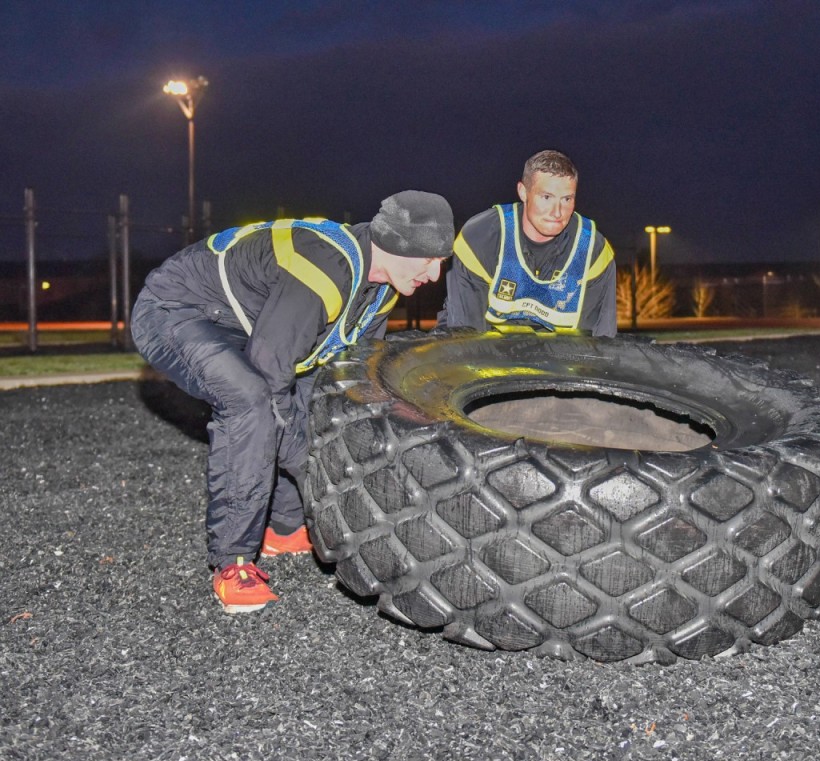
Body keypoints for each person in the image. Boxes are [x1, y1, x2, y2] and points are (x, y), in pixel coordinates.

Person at [131, 191, 454, 613]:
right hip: (177, 311)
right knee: (252, 401)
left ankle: (284, 529)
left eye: (442, 263)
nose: (433, 276)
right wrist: (314, 471)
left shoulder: (381, 291)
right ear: (396, 244)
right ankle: (233, 561)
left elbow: (344, 383)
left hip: (249, 324)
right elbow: (270, 374)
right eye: (427, 261)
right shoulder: (322, 268)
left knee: (312, 404)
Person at [437, 150, 616, 336]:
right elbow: (467, 334)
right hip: (485, 353)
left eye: (567, 199)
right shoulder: (480, 238)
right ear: (523, 192)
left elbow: (596, 341)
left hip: (554, 359)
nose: (557, 212)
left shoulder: (593, 251)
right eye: (546, 197)